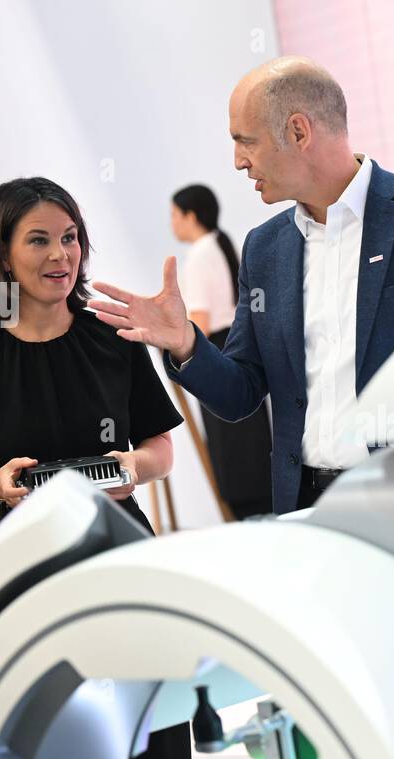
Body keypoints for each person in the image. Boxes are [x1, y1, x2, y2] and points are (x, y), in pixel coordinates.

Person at [91, 56, 394, 513]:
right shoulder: (265, 248)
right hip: (307, 505)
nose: (238, 162)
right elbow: (240, 393)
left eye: (246, 142)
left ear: (299, 132)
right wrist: (186, 345)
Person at [0, 177, 183, 535]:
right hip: (29, 550)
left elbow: (160, 448)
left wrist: (134, 466)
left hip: (120, 538)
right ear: (4, 255)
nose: (60, 254)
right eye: (39, 240)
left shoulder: (116, 337)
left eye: (69, 237)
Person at [170, 183, 272, 517]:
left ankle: (247, 514)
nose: (171, 224)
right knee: (251, 441)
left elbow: (197, 319)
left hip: (214, 348)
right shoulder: (219, 246)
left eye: (174, 215)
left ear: (191, 216)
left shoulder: (199, 255)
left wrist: (175, 338)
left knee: (232, 446)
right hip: (236, 344)